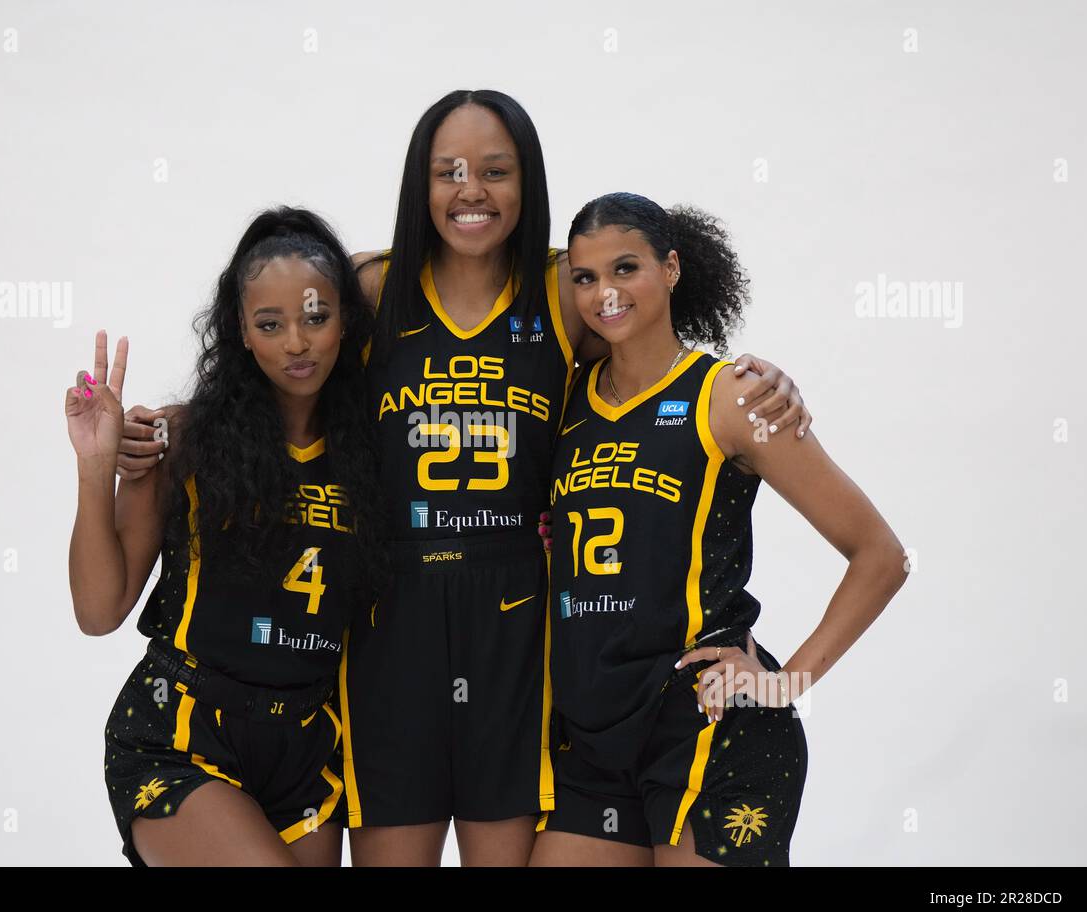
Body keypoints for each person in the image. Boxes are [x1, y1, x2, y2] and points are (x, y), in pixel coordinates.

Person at [119, 90, 814, 866]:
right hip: (390, 620)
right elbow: (282, 357)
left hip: (516, 627)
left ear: (528, 183)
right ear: (421, 182)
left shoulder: (562, 292)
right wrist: (182, 421)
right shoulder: (374, 288)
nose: (471, 189)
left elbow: (653, 348)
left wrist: (757, 378)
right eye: (448, 170)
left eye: (495, 170)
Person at [530, 193, 907, 866]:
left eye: (626, 269)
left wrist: (784, 682)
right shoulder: (565, 405)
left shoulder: (731, 396)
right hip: (592, 733)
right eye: (585, 277)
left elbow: (880, 555)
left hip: (707, 729)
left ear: (671, 268)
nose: (604, 294)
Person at [65, 207, 386, 865]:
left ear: (346, 319)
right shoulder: (182, 440)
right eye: (271, 324)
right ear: (241, 330)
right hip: (181, 735)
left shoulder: (377, 455)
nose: (296, 342)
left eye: (316, 317)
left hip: (304, 751)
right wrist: (96, 467)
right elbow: (98, 611)